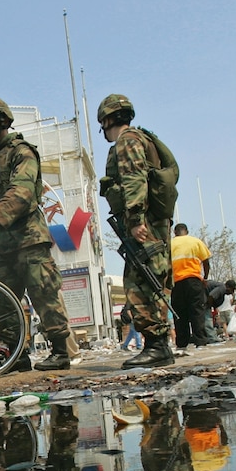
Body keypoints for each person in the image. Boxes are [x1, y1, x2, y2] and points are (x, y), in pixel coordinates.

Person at [0, 98, 72, 372]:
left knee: (43, 293)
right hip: (5, 243)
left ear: (4, 120)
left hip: (30, 237)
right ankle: (17, 356)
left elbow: (22, 191)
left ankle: (60, 352)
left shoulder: (22, 151)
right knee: (2, 300)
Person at [97, 94, 175, 368]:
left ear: (106, 120)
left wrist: (136, 218)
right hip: (153, 221)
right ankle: (159, 345)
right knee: (151, 275)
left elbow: (133, 178)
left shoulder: (128, 140)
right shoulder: (143, 138)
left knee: (141, 280)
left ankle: (157, 346)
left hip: (144, 222)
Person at [169, 223, 211, 349]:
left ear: (174, 232)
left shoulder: (169, 244)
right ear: (186, 231)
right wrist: (205, 277)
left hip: (176, 282)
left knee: (180, 313)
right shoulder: (196, 242)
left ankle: (182, 343)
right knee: (197, 310)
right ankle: (201, 341)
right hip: (193, 280)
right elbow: (206, 261)